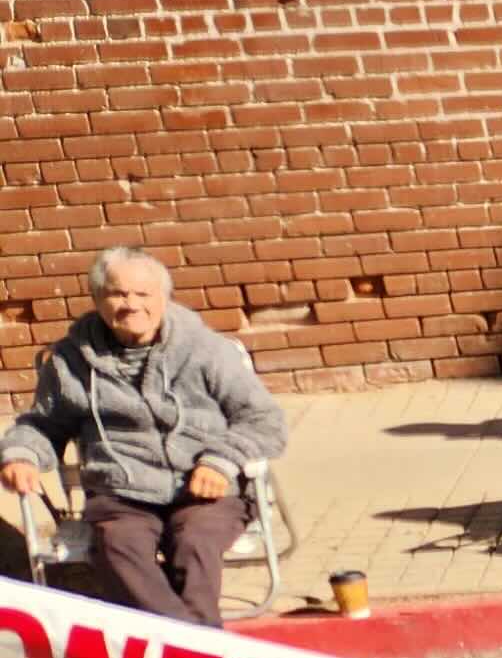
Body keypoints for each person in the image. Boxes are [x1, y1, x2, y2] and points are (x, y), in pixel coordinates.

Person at [1, 247, 288, 627]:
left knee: (195, 543)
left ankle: (183, 651)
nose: (130, 305)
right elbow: (44, 423)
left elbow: (264, 419)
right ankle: (198, 648)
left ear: (164, 299)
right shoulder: (71, 361)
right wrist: (21, 453)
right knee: (121, 548)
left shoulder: (206, 350)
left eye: (143, 294)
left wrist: (219, 461)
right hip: (121, 493)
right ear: (97, 300)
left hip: (204, 487)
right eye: (117, 294)